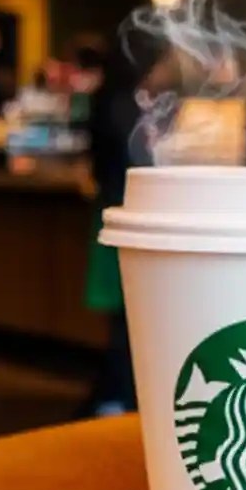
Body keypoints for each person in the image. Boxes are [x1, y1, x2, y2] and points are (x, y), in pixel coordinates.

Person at [79, 31, 176, 419]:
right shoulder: (124, 107)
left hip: (114, 216)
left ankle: (113, 398)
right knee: (129, 318)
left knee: (126, 319)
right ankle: (116, 400)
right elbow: (134, 167)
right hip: (125, 221)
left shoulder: (114, 100)